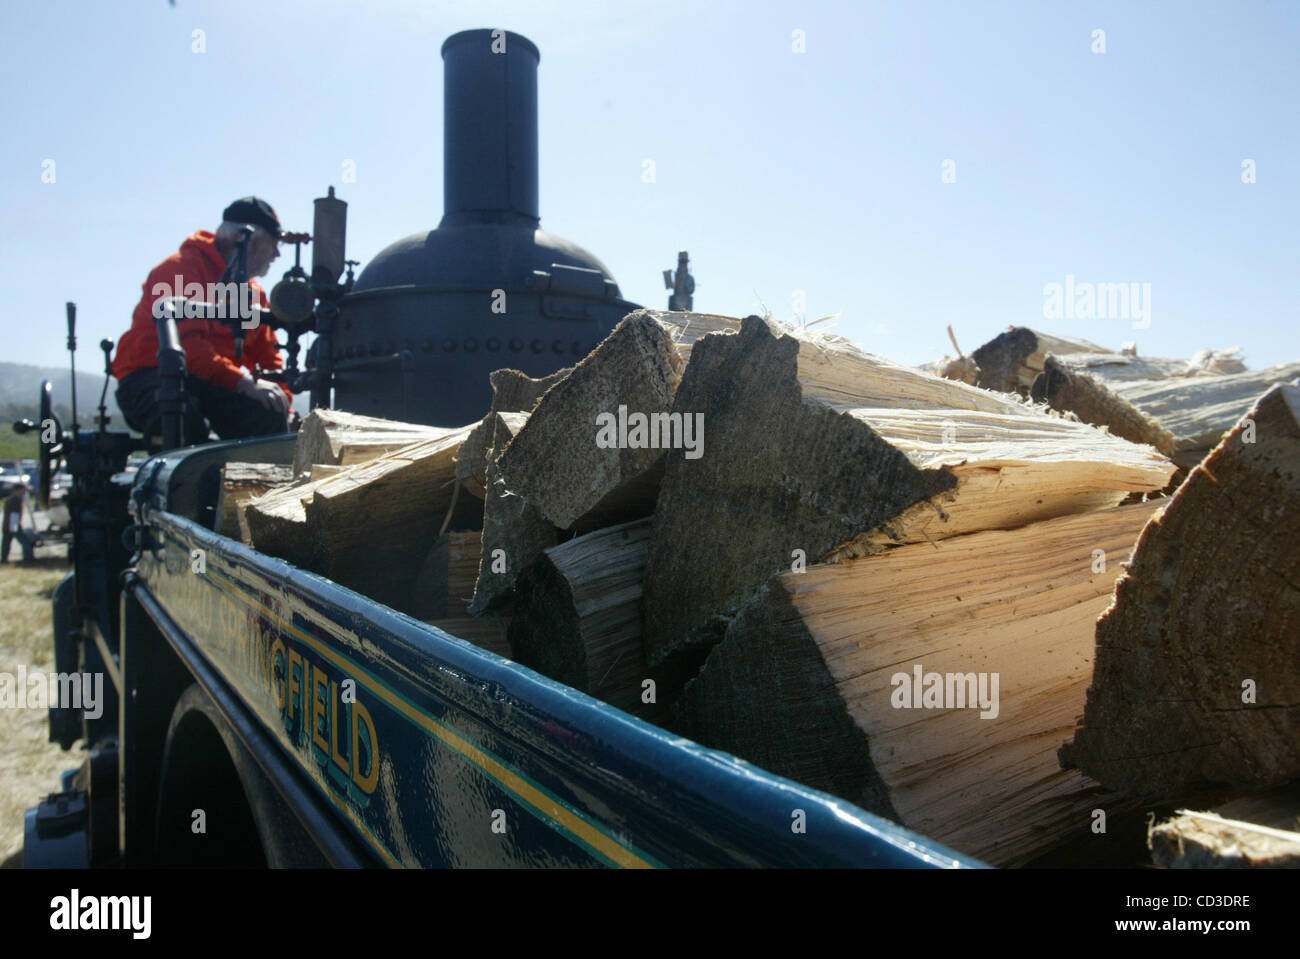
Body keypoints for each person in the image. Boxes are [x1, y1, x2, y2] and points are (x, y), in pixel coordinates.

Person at [112, 197, 294, 445]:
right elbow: (189, 349)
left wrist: (284, 403)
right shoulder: (179, 269)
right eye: (272, 244)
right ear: (243, 239)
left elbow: (268, 356)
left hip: (213, 381)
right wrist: (241, 382)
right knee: (184, 419)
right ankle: (184, 482)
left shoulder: (255, 294)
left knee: (269, 414)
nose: (276, 254)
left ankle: (256, 482)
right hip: (151, 375)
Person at [2, 483, 36, 564]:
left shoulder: (11, 499)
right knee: (24, 541)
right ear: (18, 490)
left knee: (6, 543)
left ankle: (4, 559)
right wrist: (15, 526)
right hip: (12, 525)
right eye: (23, 490)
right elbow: (14, 514)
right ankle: (28, 558)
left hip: (7, 525)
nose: (24, 492)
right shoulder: (16, 500)